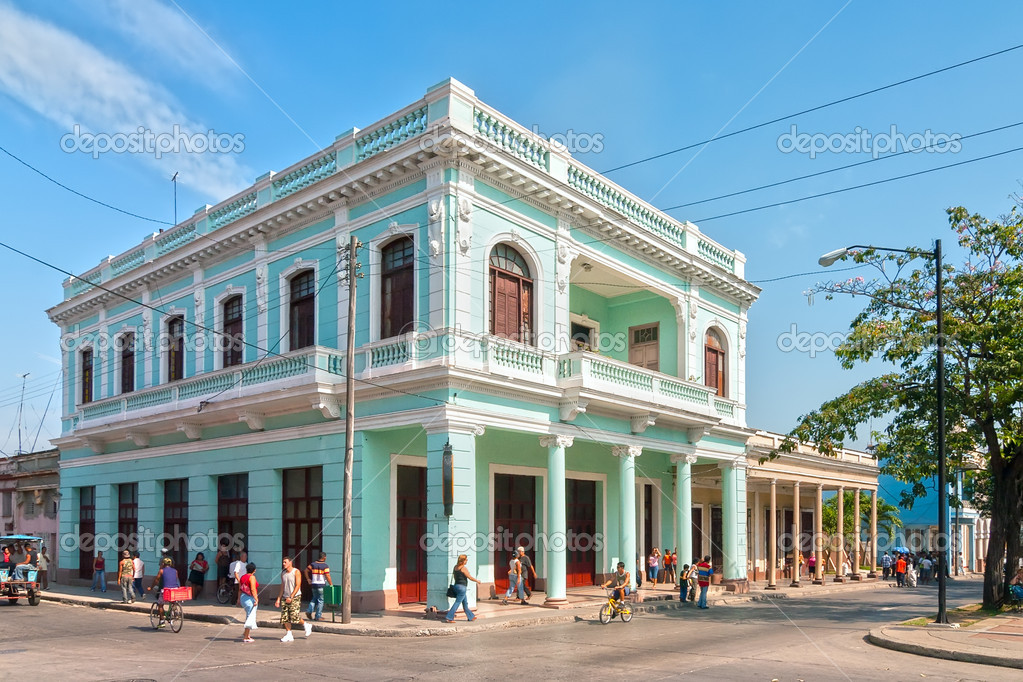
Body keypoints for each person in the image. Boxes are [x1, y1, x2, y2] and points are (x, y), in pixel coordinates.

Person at [275, 556, 312, 641]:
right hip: (285, 597)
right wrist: (278, 599)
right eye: (283, 562)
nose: (283, 564)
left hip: (295, 596)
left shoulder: (296, 572)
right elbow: (282, 587)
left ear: (290, 562)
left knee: (294, 615)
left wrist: (291, 596)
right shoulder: (283, 573)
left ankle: (306, 625)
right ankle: (288, 634)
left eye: (285, 562)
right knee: (285, 617)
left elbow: (298, 585)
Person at [444, 554, 482, 623]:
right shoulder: (463, 568)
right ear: (463, 561)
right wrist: (477, 581)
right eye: (466, 560)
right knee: (457, 602)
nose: (467, 561)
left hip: (456, 586)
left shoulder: (455, 567)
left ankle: (471, 616)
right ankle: (449, 617)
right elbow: (469, 577)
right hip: (462, 588)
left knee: (465, 603)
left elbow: (455, 577)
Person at [147, 557, 179, 627]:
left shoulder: (161, 571)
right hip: (175, 589)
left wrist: (151, 587)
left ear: (163, 564)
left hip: (166, 590)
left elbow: (156, 580)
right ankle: (173, 610)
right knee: (172, 601)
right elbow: (175, 579)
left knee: (160, 604)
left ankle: (162, 621)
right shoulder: (175, 571)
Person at [304, 552, 332, 621]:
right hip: (321, 585)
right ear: (324, 557)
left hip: (314, 584)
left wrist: (308, 579)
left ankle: (309, 610)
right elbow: (327, 575)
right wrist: (331, 584)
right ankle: (318, 616)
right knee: (321, 600)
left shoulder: (313, 564)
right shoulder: (325, 566)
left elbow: (306, 570)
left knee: (314, 598)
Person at [239, 562, 259, 642]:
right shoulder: (252, 577)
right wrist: (256, 599)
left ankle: (245, 633)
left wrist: (238, 599)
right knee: (250, 617)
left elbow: (240, 589)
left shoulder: (242, 577)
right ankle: (246, 636)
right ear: (254, 570)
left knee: (248, 615)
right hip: (249, 598)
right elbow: (253, 589)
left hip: (243, 597)